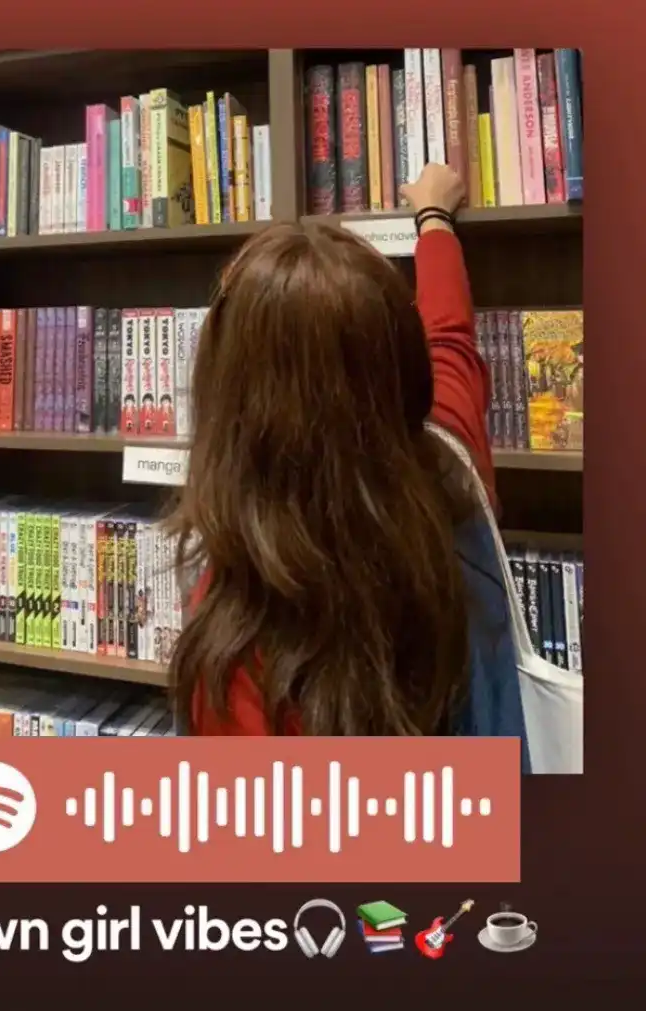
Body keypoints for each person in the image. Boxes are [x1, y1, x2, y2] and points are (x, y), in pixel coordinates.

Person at [167, 164, 530, 763]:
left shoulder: (235, 636)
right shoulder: (450, 465)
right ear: (405, 369)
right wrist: (434, 219)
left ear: (223, 396)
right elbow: (451, 339)